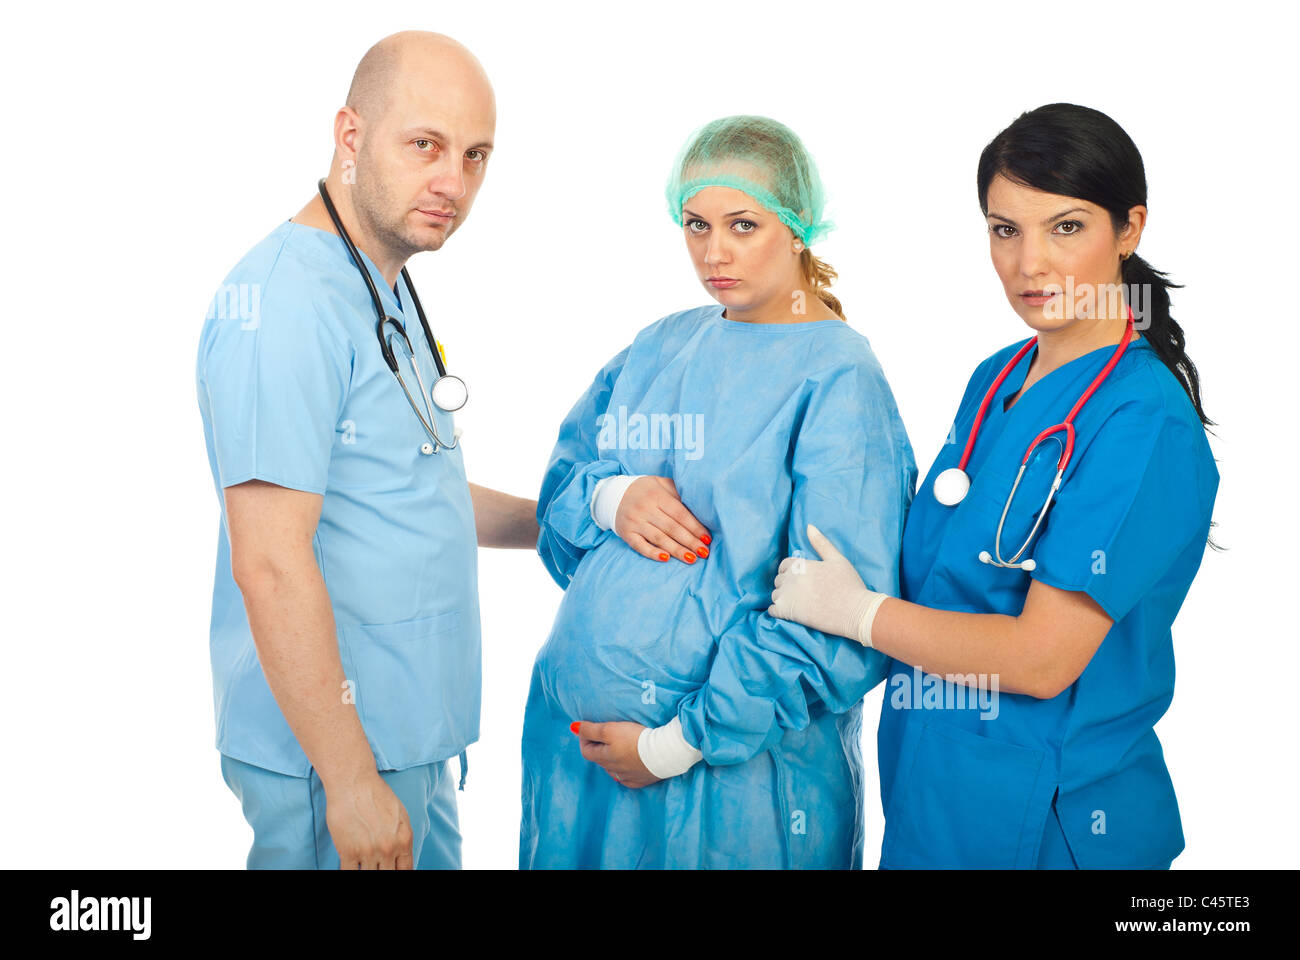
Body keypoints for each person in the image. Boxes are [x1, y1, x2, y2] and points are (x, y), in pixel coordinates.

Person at [769, 103, 1220, 869]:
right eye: (1004, 229)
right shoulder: (997, 378)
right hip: (930, 803)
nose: (1029, 263)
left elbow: (1044, 659)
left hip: (1054, 821)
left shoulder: (1144, 425)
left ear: (1131, 228)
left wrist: (862, 614)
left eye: (1066, 227)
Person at [520, 116, 917, 869]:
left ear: (799, 228)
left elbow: (837, 611)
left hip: (735, 784)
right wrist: (613, 497)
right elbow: (562, 495)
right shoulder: (660, 343)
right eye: (696, 224)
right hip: (575, 763)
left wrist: (678, 742)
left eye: (743, 224)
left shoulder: (838, 376)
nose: (714, 251)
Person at [196, 31, 538, 870]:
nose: (452, 183)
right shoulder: (282, 306)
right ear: (350, 136)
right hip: (334, 759)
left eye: (476, 155)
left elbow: (408, 485)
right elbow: (269, 562)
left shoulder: (377, 283)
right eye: (424, 145)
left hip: (411, 737)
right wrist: (348, 779)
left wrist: (564, 520)